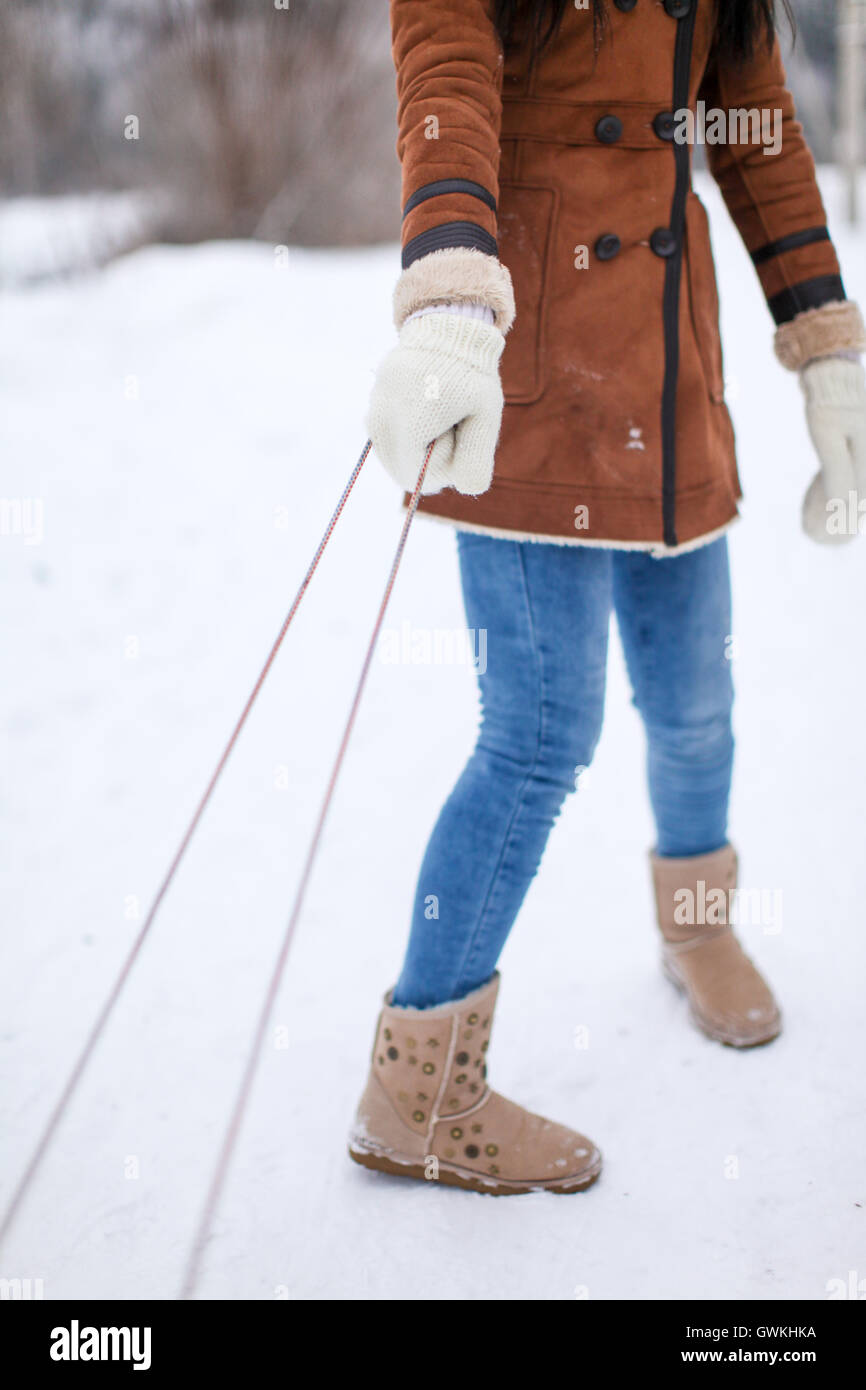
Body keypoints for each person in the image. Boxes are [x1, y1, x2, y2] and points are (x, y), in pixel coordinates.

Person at [349, 0, 866, 1195]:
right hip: (527, 363)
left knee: (695, 701)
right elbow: (444, 71)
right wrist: (446, 292)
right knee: (536, 737)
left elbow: (755, 130)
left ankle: (695, 922)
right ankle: (417, 1091)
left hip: (665, 366)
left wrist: (826, 348)